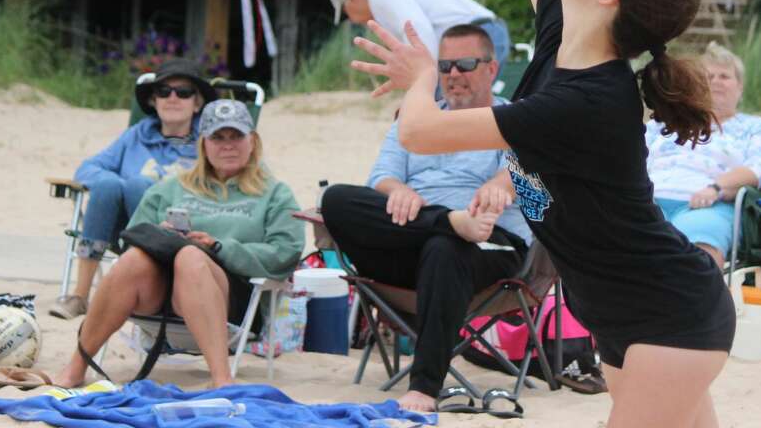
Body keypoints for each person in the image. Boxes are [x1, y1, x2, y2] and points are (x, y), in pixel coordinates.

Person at [351, 0, 736, 428]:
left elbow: (422, 128)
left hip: (668, 313)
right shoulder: (563, 29)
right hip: (624, 312)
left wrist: (419, 73)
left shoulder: (589, 100)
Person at [320, 24, 532, 413]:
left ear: (491, 68)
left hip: (486, 243)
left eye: (465, 64)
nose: (453, 74)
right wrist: (396, 190)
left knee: (445, 247)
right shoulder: (417, 119)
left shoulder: (516, 119)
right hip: (410, 242)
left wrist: (503, 183)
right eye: (445, 66)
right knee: (335, 199)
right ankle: (447, 221)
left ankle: (423, 387)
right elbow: (380, 178)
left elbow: (532, 172)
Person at [55, 99, 304, 388]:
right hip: (162, 294)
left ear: (253, 141)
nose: (227, 145)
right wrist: (157, 236)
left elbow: (285, 253)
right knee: (135, 260)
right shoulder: (172, 188)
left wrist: (219, 247)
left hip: (230, 298)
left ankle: (221, 379)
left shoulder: (274, 193)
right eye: (217, 137)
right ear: (203, 144)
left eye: (236, 136)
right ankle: (75, 368)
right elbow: (132, 238)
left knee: (191, 258)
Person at [50, 58, 217, 320]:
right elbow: (87, 169)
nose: (172, 98)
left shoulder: (207, 142)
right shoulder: (137, 135)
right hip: (123, 231)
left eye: (183, 92)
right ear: (153, 100)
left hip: (176, 232)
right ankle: (80, 296)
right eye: (164, 91)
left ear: (197, 103)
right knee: (107, 184)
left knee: (139, 183)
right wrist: (116, 184)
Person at [646, 41, 761, 269]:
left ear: (740, 87)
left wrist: (717, 188)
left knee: (701, 235)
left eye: (724, 76)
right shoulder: (664, 123)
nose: (716, 82)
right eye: (708, 77)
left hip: (708, 205)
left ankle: (696, 303)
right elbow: (633, 158)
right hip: (648, 203)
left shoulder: (754, 128)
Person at [328, 0, 511, 68]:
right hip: (484, 35)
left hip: (477, 38)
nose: (351, 20)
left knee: (442, 111)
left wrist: (423, 84)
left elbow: (417, 32)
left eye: (346, 14)